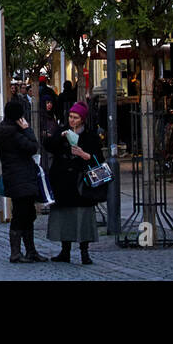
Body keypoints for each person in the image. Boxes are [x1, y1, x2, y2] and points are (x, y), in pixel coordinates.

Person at [41, 101, 101, 264]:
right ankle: (65, 251)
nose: (72, 120)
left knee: (83, 218)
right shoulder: (62, 131)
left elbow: (98, 159)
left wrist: (84, 155)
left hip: (82, 183)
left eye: (75, 117)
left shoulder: (90, 136)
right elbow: (48, 146)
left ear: (82, 119)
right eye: (70, 117)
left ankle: (84, 253)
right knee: (64, 218)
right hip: (63, 182)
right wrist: (58, 137)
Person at [0, 98, 44, 263]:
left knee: (26, 213)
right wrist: (27, 130)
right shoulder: (13, 133)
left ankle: (30, 250)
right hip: (21, 177)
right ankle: (17, 252)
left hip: (15, 177)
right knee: (22, 214)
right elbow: (32, 147)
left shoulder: (4, 131)